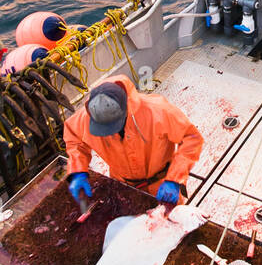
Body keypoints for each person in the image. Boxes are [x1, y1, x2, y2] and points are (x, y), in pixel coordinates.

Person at [63, 76, 203, 207]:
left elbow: (191, 138)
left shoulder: (158, 110)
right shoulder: (90, 114)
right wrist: (77, 170)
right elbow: (74, 139)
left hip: (162, 184)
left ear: (126, 109)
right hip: (123, 185)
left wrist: (175, 178)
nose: (110, 133)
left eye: (113, 126)